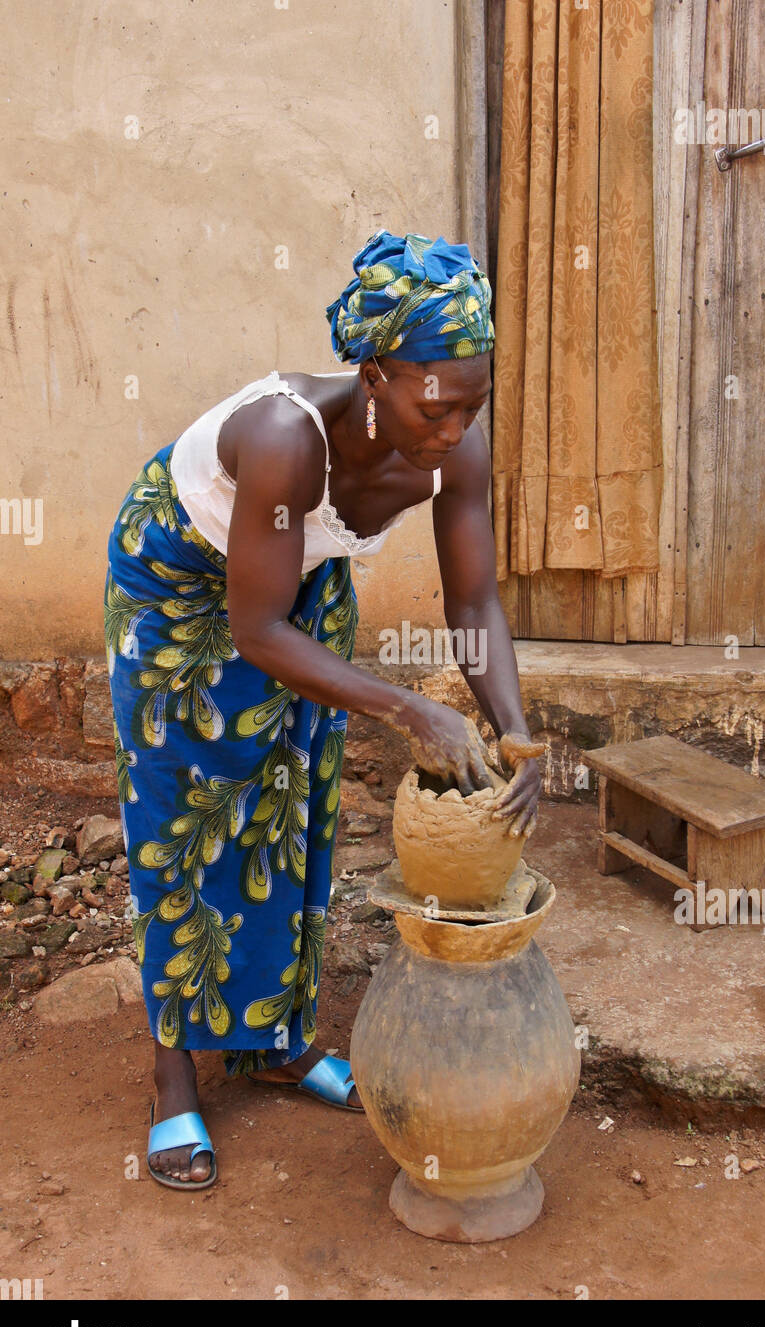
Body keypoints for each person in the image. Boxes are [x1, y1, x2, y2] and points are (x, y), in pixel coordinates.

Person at [104, 229, 543, 1190]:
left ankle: (281, 1040)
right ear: (375, 374)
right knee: (189, 817)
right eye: (439, 403)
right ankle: (174, 1071)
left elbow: (473, 604)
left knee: (291, 804)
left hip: (294, 583)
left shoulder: (449, 451)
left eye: (475, 404)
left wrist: (513, 724)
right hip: (181, 590)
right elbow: (254, 631)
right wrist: (409, 710)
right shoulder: (282, 437)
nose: (457, 428)